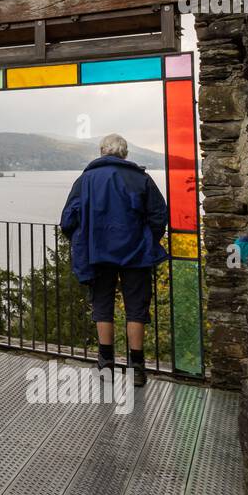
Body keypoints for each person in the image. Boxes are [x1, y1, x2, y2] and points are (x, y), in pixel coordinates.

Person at [59, 133, 168, 388]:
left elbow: (68, 219)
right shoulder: (141, 178)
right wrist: (146, 238)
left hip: (98, 254)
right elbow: (158, 215)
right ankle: (137, 369)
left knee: (102, 305)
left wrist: (83, 238)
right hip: (136, 254)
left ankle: (105, 363)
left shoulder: (85, 180)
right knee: (136, 308)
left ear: (101, 152)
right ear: (125, 153)